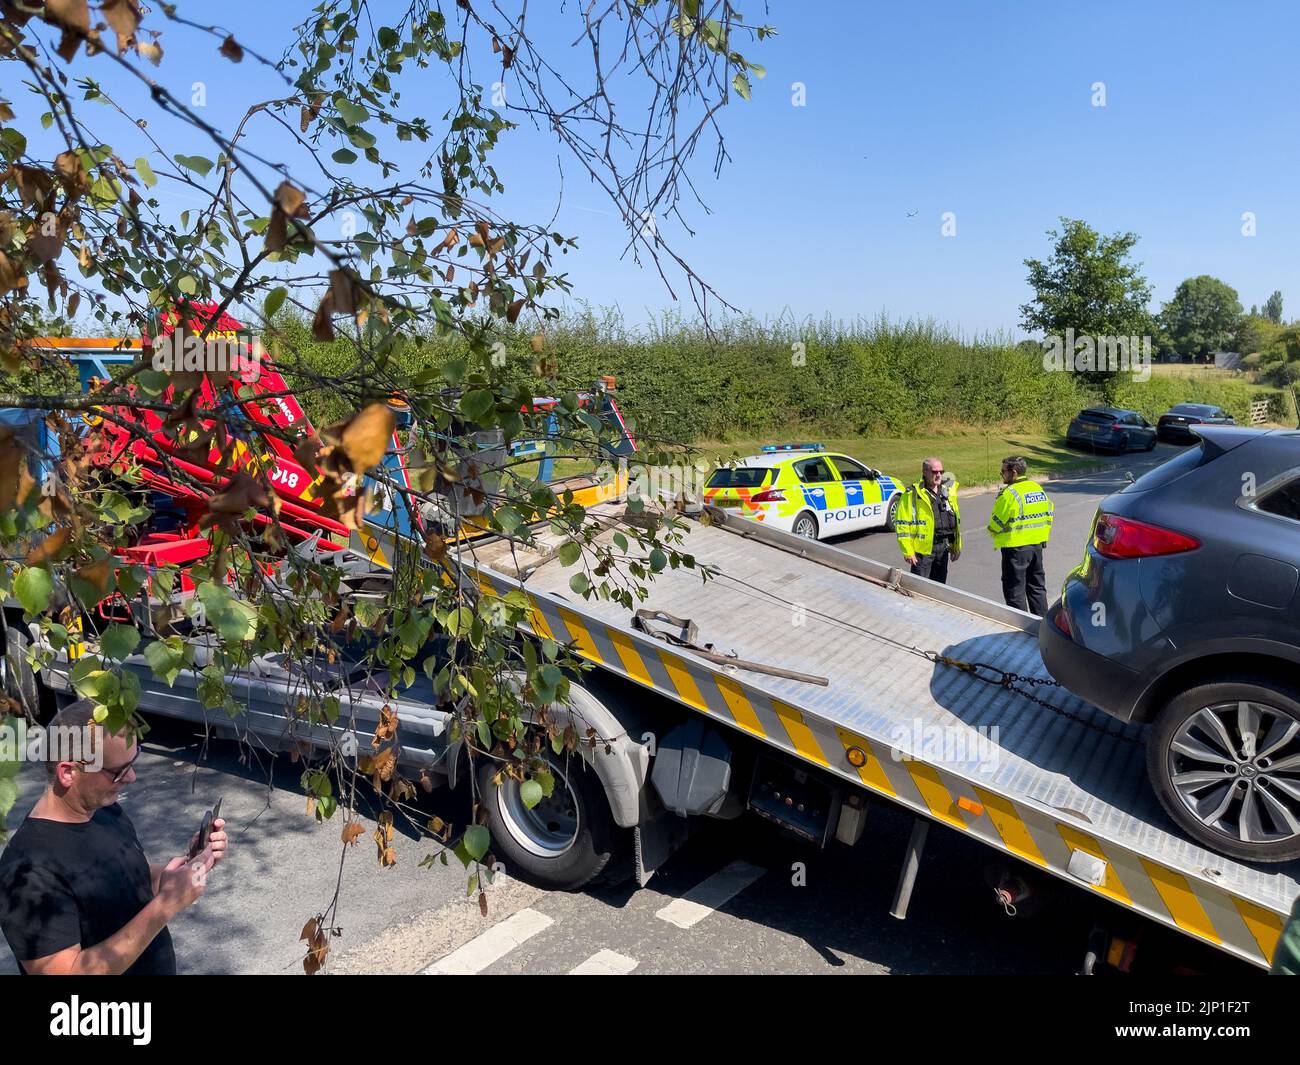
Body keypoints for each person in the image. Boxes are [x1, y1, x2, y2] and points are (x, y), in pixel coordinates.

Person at [0, 699, 228, 975]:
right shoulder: (28, 870)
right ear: (69, 772)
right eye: (118, 771)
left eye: (133, 761)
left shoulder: (104, 811)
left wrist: (176, 876)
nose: (131, 777)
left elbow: (127, 883)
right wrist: (166, 904)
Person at [987, 455, 1054, 615]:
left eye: (1003, 471)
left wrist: (993, 531)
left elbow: (995, 524)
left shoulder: (1009, 493)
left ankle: (1021, 630)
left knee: (1014, 591)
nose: (1002, 474)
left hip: (1015, 550)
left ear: (1014, 473)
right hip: (1037, 547)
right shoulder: (1037, 488)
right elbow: (1049, 513)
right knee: (1037, 588)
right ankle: (1041, 626)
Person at [895, 457, 962, 583]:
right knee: (920, 588)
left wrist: (956, 546)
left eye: (941, 472)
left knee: (939, 588)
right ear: (924, 472)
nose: (939, 475)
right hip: (923, 551)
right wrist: (908, 551)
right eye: (934, 472)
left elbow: (955, 520)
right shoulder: (912, 494)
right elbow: (902, 525)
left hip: (943, 548)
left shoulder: (947, 492)